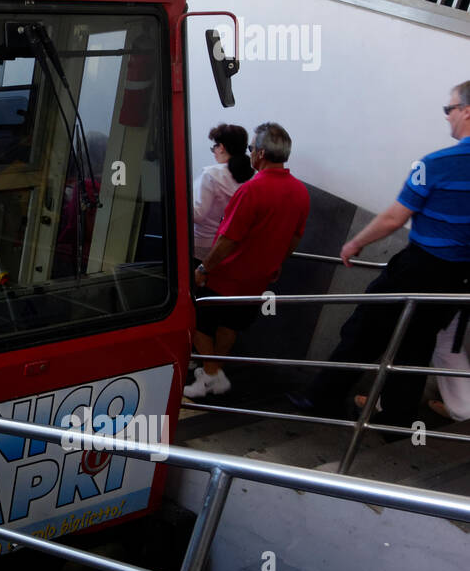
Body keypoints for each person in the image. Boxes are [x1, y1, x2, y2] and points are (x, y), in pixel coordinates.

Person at [290, 83, 470, 428]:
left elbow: (394, 218)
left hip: (418, 266)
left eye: (449, 109)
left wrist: (354, 243)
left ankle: (322, 399)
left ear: (466, 110)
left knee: (363, 331)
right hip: (456, 279)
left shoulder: (438, 163)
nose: (446, 117)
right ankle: (398, 419)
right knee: (417, 344)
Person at [186, 122, 310, 398]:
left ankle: (212, 373)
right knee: (231, 326)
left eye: (252, 148)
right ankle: (212, 375)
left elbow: (228, 238)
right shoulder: (300, 192)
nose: (250, 153)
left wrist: (205, 267)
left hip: (228, 274)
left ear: (262, 153)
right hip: (259, 278)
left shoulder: (253, 190)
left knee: (197, 320)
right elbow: (294, 238)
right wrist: (276, 263)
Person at [193, 124, 254, 262]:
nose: (214, 152)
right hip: (228, 247)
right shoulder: (250, 177)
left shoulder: (211, 174)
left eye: (214, 147)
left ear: (221, 147)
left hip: (200, 245)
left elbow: (198, 214)